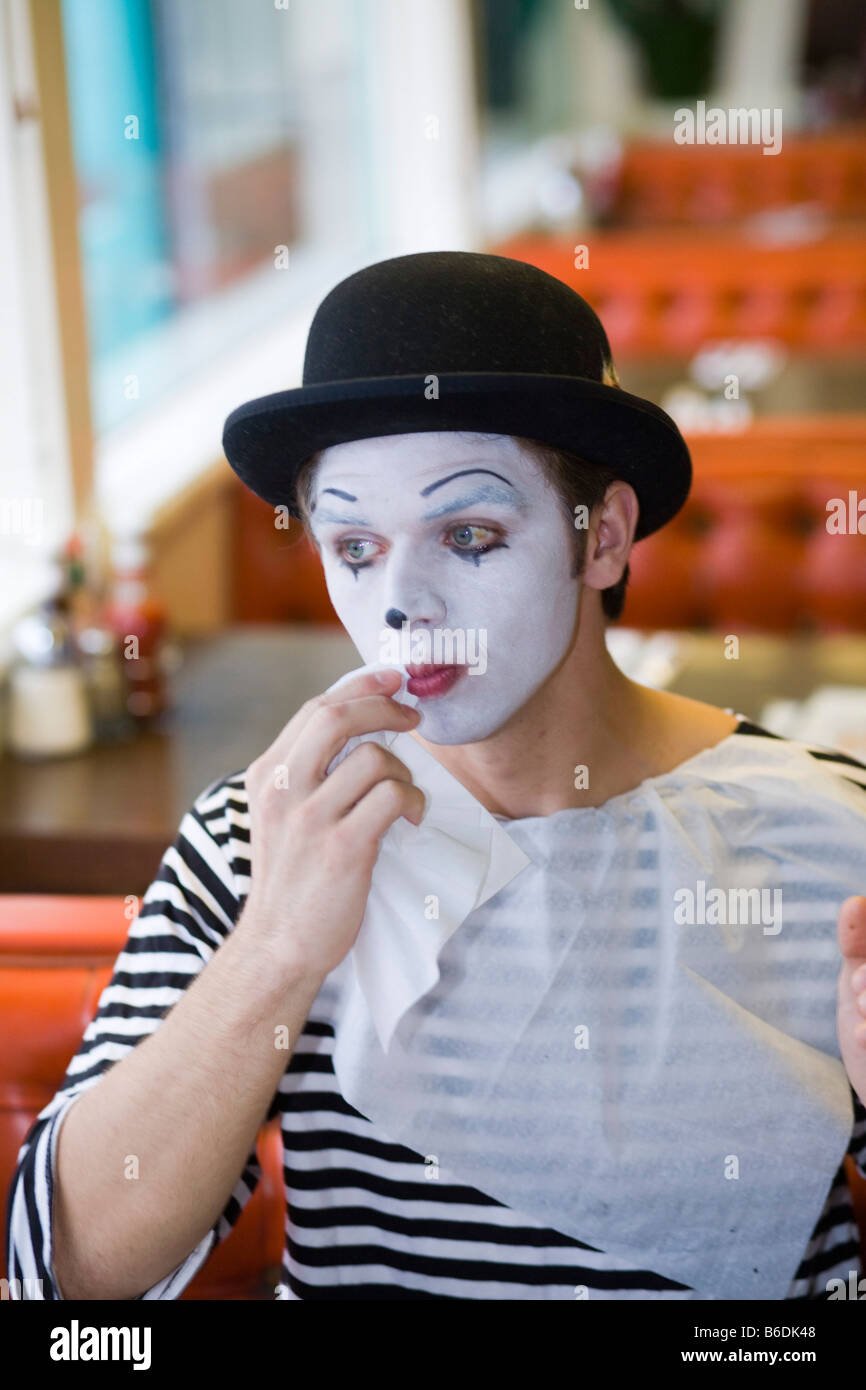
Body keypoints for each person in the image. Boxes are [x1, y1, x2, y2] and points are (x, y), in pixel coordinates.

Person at [6, 251, 866, 1301]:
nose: (402, 602)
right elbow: (60, 1280)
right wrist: (274, 946)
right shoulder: (263, 834)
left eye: (466, 533)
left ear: (601, 537)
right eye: (355, 546)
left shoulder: (827, 837)